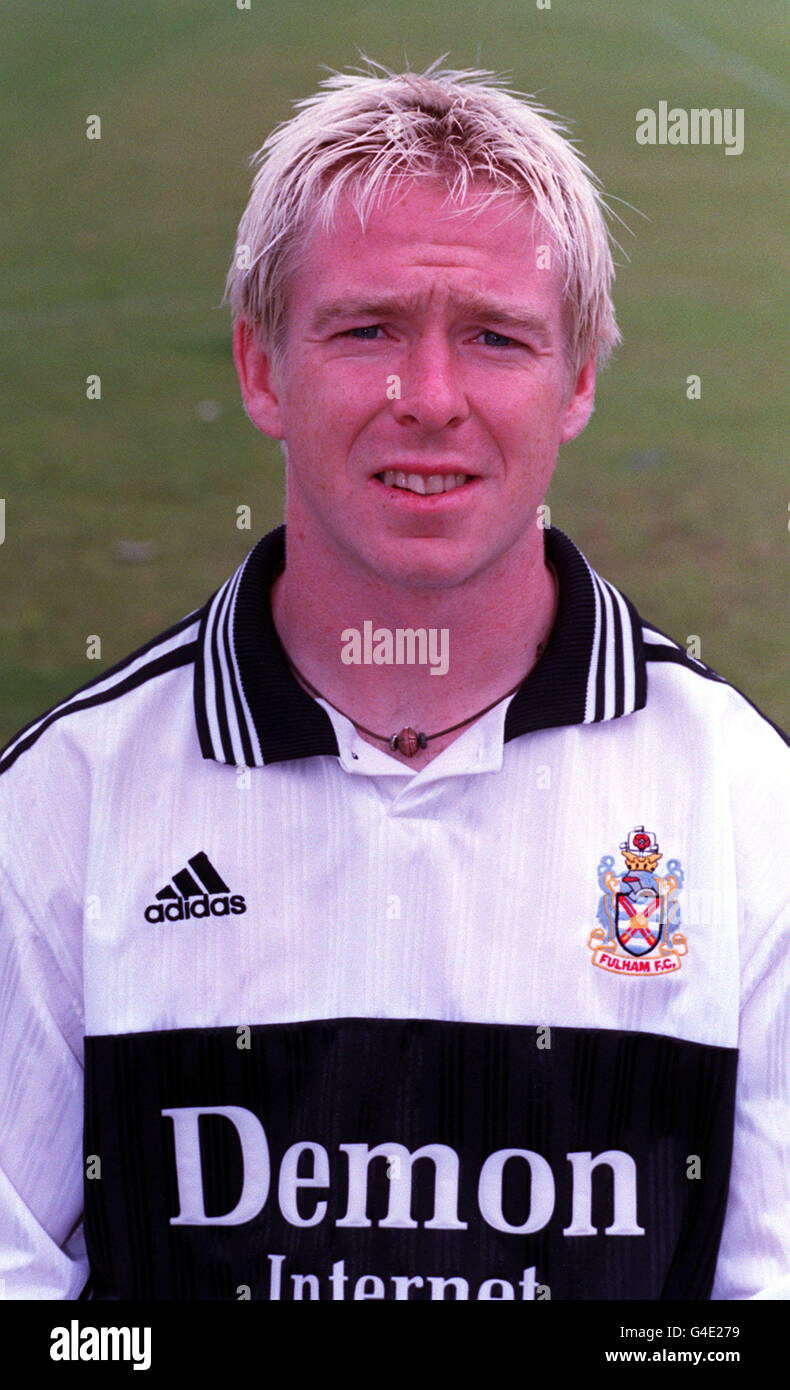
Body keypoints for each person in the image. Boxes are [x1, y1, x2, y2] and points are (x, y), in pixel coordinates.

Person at [0, 59, 787, 1302]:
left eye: (494, 338)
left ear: (577, 379)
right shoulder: (60, 806)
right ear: (262, 369)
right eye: (366, 329)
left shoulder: (749, 807)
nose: (427, 399)